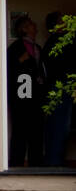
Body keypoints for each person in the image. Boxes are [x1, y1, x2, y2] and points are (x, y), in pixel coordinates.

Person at [6, 14, 46, 167]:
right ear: (23, 29)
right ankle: (16, 164)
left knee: (36, 131)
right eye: (31, 24)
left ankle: (36, 164)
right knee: (20, 131)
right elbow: (9, 70)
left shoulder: (38, 48)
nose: (35, 26)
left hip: (36, 97)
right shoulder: (15, 48)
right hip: (21, 97)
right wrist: (20, 62)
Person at [42, 11, 73, 167]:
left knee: (60, 125)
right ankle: (54, 163)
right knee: (59, 126)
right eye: (63, 20)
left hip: (59, 87)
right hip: (60, 88)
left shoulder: (53, 43)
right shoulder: (57, 43)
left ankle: (55, 160)